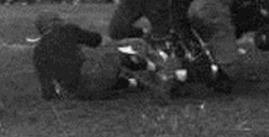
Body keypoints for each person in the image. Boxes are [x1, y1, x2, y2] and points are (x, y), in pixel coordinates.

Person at [31, 11, 174, 101]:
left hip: (80, 94)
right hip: (93, 78)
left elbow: (47, 91)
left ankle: (134, 83)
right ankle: (158, 71)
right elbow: (96, 40)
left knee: (97, 73)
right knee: (124, 49)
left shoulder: (38, 51)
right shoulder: (66, 30)